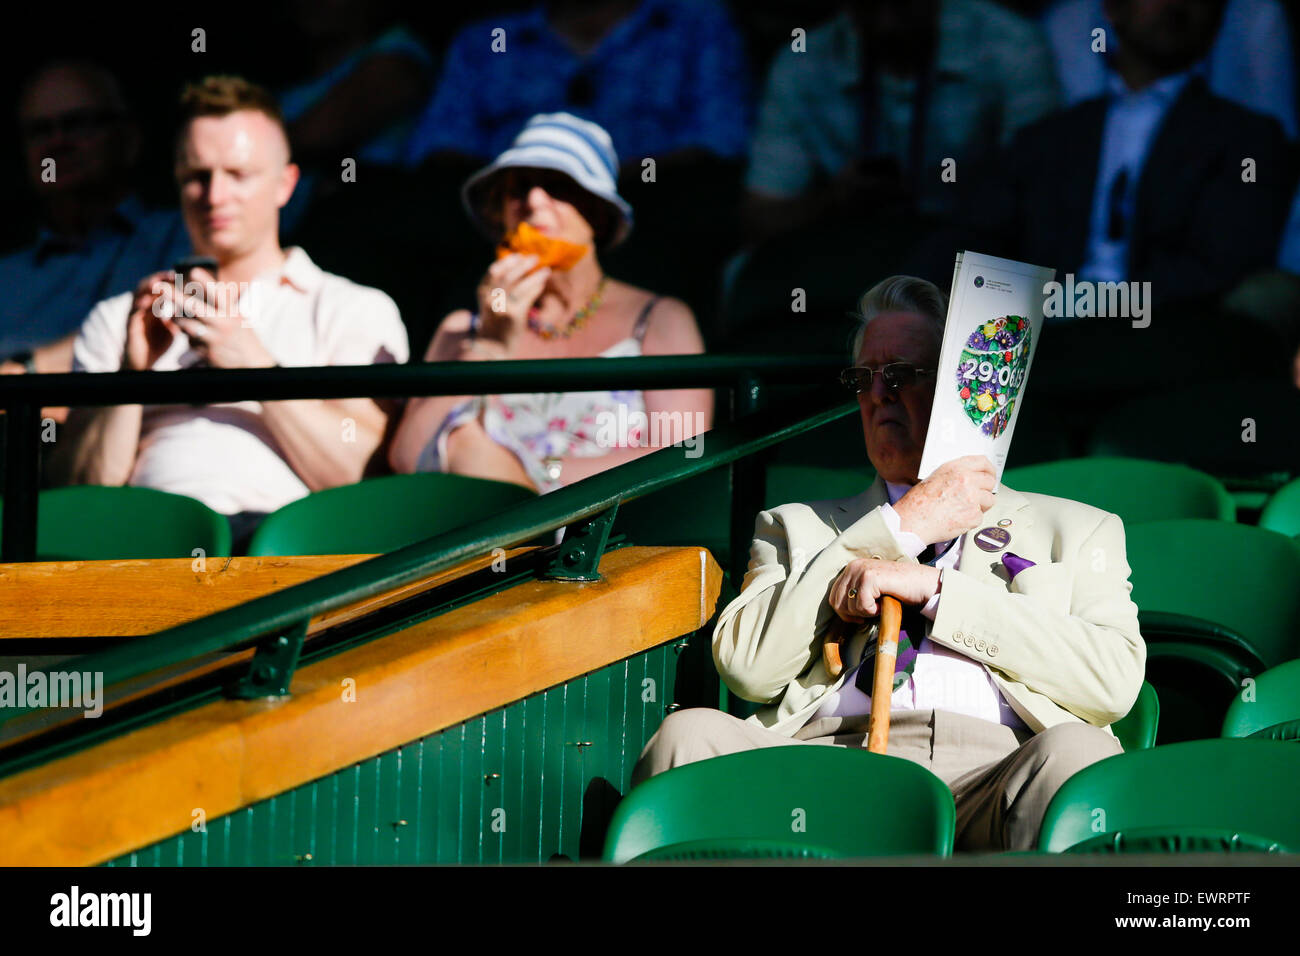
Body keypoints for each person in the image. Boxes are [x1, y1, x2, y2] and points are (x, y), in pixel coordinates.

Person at [633, 276, 1145, 852]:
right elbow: (748, 670)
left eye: (900, 374)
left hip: (995, 768)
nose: (878, 394)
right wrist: (901, 529)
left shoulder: (1078, 529)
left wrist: (937, 591)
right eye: (863, 378)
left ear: (960, 389)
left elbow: (1113, 687)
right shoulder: (795, 525)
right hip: (825, 760)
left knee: (1080, 753)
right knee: (689, 737)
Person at [57, 76, 408, 552]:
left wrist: (255, 368)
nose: (214, 195)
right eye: (197, 176)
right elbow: (80, 498)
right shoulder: (120, 318)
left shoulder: (353, 308)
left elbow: (363, 482)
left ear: (286, 183)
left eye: (238, 174)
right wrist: (131, 377)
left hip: (292, 557)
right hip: (139, 549)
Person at [389, 112, 712, 492]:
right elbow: (407, 459)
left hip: (620, 536)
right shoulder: (461, 329)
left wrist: (535, 474)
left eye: (558, 186)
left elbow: (687, 453)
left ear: (598, 214)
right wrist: (489, 347)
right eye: (518, 188)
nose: (533, 201)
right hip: (481, 540)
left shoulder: (660, 319)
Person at [742, 0, 1060, 244]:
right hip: (849, 244)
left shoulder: (1010, 45)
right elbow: (763, 214)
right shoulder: (801, 63)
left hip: (981, 245)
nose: (888, 15)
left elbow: (1041, 197)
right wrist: (834, 200)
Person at [0, 60, 189, 376]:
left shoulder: (186, 234)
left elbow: (183, 319)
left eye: (77, 124)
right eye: (40, 130)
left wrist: (29, 374)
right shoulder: (6, 277)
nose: (58, 143)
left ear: (129, 138)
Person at [405, 0, 751, 170]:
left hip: (657, 227)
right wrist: (520, 194)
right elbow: (437, 147)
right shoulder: (488, 39)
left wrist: (595, 193)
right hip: (499, 230)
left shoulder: (697, 25)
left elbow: (721, 144)